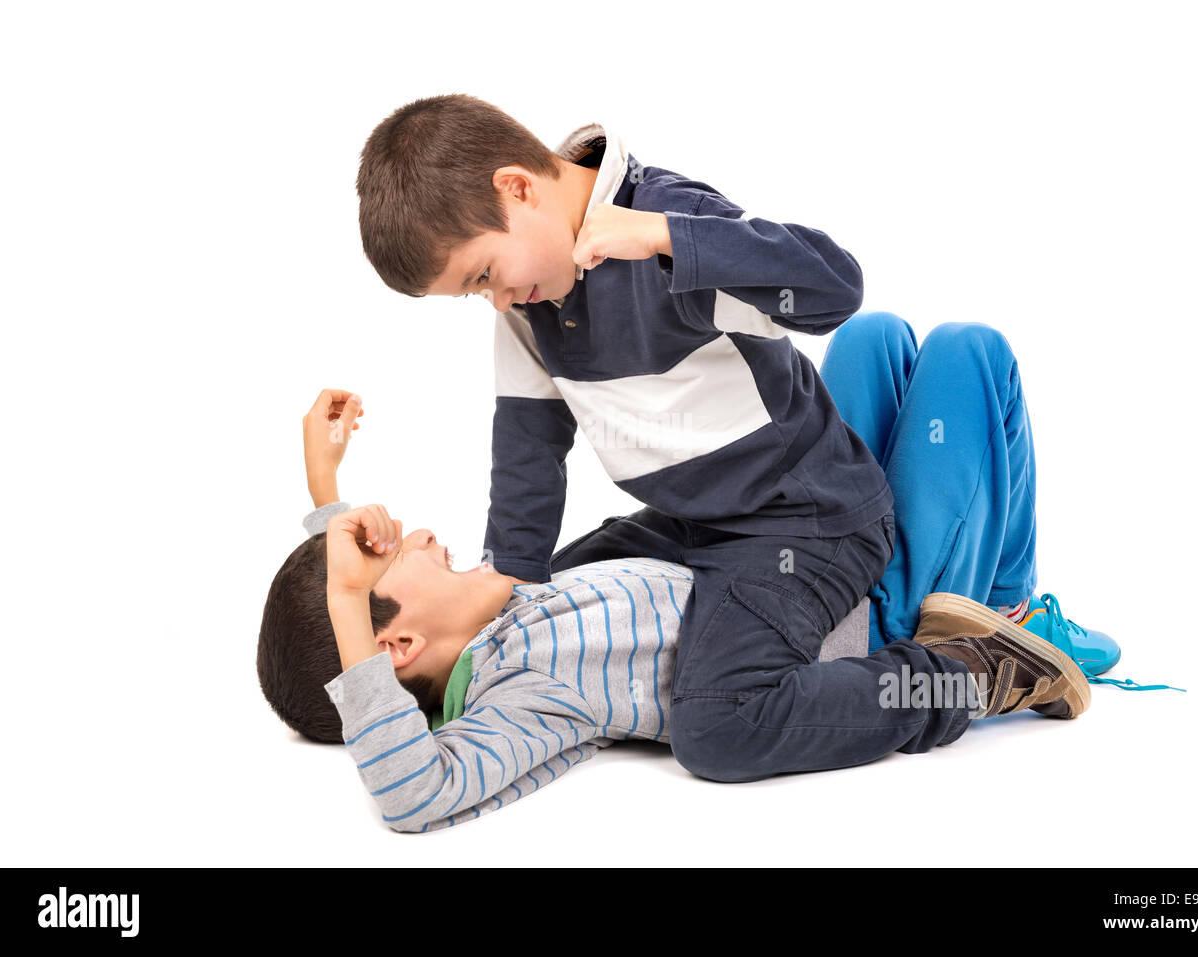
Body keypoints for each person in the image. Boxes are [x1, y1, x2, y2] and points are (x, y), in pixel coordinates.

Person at [346, 94, 1132, 781]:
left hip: (804, 516)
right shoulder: (528, 307)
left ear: (516, 189)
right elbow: (527, 452)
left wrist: (661, 236)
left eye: (482, 275)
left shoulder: (663, 230)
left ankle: (1005, 626)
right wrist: (502, 571)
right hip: (702, 518)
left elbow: (833, 288)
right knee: (549, 578)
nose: (493, 301)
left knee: (926, 343)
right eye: (470, 294)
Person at [256, 308, 1093, 832]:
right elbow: (409, 790)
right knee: (969, 351)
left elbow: (372, 601)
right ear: (395, 646)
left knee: (872, 338)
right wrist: (342, 593)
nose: (424, 534)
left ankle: (997, 593)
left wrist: (330, 496)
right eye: (399, 556)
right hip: (874, 609)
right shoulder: (520, 692)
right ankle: (1012, 613)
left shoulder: (508, 590)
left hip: (813, 522)